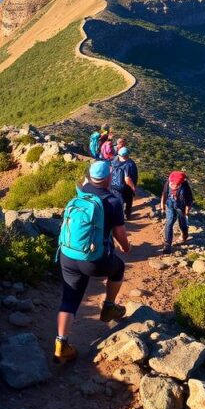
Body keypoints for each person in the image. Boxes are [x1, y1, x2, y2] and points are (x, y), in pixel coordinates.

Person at [54, 160, 131, 363]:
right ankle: (108, 307)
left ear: (90, 176)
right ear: (108, 178)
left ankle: (61, 344)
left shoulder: (80, 192)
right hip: (93, 260)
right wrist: (126, 247)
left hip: (67, 255)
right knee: (119, 268)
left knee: (69, 299)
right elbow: (119, 233)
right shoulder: (113, 201)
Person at [160, 171, 194, 253]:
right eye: (172, 183)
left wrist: (187, 209)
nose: (174, 185)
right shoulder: (168, 183)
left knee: (182, 223)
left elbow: (189, 198)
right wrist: (162, 204)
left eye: (176, 184)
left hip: (181, 206)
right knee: (169, 222)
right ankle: (167, 244)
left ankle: (184, 236)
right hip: (170, 205)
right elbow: (164, 193)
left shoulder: (185, 185)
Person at [110, 146, 138, 219]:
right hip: (125, 187)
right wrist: (133, 188)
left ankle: (116, 216)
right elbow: (127, 179)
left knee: (117, 201)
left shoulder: (114, 161)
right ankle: (126, 216)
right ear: (127, 154)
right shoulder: (129, 164)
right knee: (128, 201)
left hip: (113, 186)